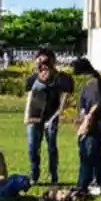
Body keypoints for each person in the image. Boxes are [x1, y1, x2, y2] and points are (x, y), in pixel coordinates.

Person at [24, 49, 74, 186]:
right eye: (40, 62)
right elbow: (29, 99)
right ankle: (34, 174)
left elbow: (66, 99)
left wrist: (55, 117)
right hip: (34, 117)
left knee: (51, 146)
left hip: (51, 116)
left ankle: (54, 175)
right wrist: (27, 117)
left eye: (46, 62)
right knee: (32, 147)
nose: (43, 66)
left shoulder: (61, 78)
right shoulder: (33, 79)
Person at [74, 58, 101, 196]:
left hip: (96, 122)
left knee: (89, 152)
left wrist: (86, 122)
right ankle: (90, 182)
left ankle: (90, 183)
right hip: (96, 121)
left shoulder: (94, 84)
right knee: (92, 152)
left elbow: (95, 105)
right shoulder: (96, 82)